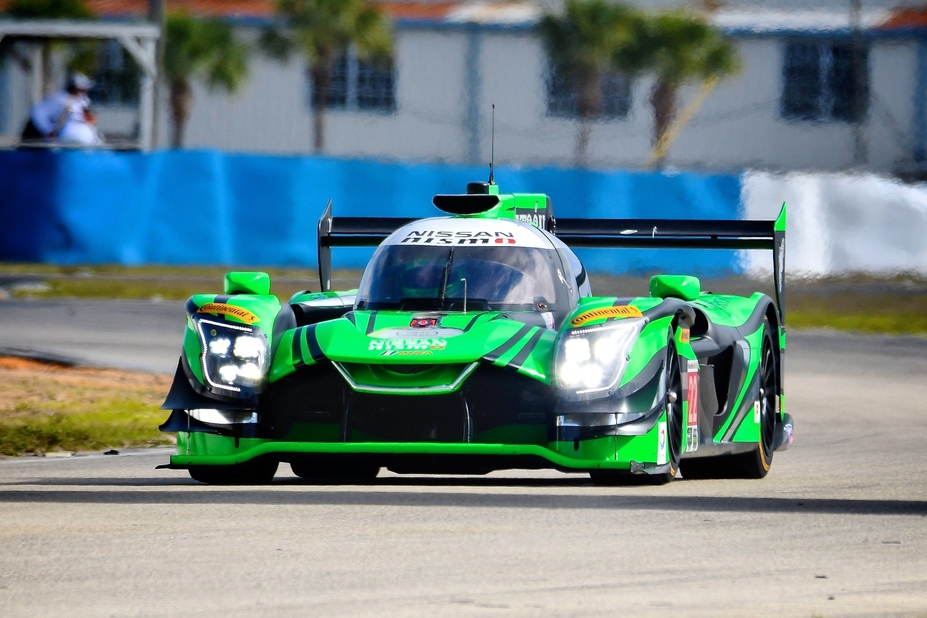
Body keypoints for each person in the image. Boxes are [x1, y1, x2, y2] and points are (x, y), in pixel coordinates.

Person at [21, 73, 103, 146]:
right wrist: (47, 130)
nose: (85, 92)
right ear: (75, 87)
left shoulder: (83, 101)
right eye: (82, 89)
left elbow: (90, 121)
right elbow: (37, 112)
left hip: (84, 140)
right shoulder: (60, 98)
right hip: (64, 138)